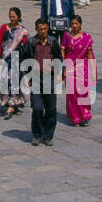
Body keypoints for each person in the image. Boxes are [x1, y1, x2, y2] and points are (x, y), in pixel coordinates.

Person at [29, 18, 62, 146]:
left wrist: (59, 72)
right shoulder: (31, 42)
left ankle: (48, 135)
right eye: (40, 29)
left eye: (45, 29)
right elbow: (24, 58)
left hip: (49, 77)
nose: (43, 31)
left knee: (50, 108)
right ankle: (37, 134)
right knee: (37, 108)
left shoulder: (53, 42)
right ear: (36, 29)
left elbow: (59, 57)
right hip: (36, 78)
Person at [0, 6, 29, 119]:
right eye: (10, 16)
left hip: (16, 59)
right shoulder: (4, 28)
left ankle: (12, 106)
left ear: (18, 17)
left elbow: (26, 47)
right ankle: (11, 103)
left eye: (13, 16)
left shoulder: (22, 31)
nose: (11, 18)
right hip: (5, 58)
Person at [61, 14, 96, 127]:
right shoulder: (67, 36)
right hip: (70, 68)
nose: (74, 26)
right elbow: (63, 50)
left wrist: (92, 70)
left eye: (76, 24)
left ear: (80, 24)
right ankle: (75, 118)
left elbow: (89, 54)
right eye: (72, 24)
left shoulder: (86, 38)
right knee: (72, 94)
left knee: (83, 93)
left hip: (82, 69)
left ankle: (84, 115)